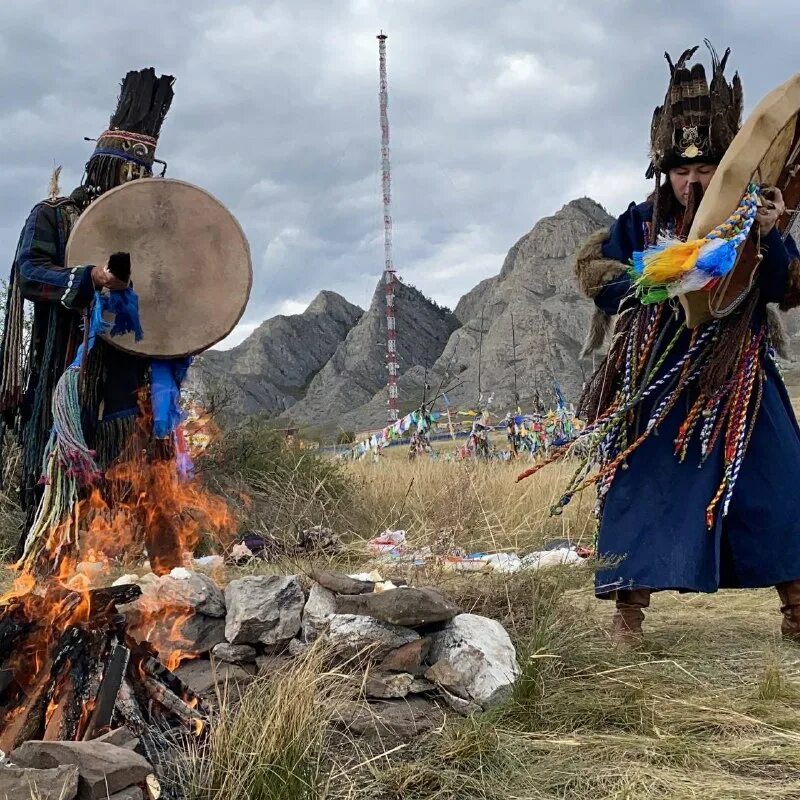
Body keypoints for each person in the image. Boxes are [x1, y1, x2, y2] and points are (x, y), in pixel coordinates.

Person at [572, 44, 800, 644]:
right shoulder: (639, 223)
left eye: (704, 170)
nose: (692, 181)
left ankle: (797, 610)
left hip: (739, 372)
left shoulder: (754, 217)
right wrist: (657, 278)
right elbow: (601, 282)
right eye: (681, 170)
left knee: (780, 482)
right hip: (657, 376)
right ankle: (628, 617)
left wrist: (771, 236)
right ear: (663, 171)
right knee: (638, 489)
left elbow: (784, 287)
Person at [0, 68, 175, 564]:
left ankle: (159, 570)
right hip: (67, 368)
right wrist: (90, 276)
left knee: (145, 470)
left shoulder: (152, 237)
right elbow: (30, 274)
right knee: (61, 476)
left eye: (144, 177)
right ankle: (47, 571)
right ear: (104, 168)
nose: (136, 185)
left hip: (129, 372)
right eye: (129, 174)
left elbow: (170, 299)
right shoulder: (53, 216)